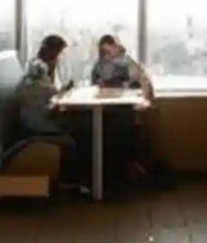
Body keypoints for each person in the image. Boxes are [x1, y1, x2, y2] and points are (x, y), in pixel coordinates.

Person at [18, 35, 89, 186]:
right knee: (84, 128)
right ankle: (82, 179)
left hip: (41, 120)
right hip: (38, 126)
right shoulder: (37, 73)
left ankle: (85, 179)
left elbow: (48, 97)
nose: (58, 62)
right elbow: (46, 99)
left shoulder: (37, 69)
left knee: (84, 124)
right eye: (58, 56)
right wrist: (62, 93)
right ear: (52, 54)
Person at [90, 35, 154, 183]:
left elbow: (142, 87)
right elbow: (94, 84)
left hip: (126, 109)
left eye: (107, 50)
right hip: (107, 107)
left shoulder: (128, 63)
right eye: (102, 51)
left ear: (115, 47)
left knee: (120, 129)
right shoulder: (99, 65)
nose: (105, 54)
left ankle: (122, 170)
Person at [90, 35, 154, 99]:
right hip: (105, 101)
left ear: (116, 47)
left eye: (110, 51)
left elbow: (144, 82)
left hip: (126, 100)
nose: (108, 55)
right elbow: (94, 86)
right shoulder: (98, 66)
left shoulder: (128, 63)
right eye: (105, 52)